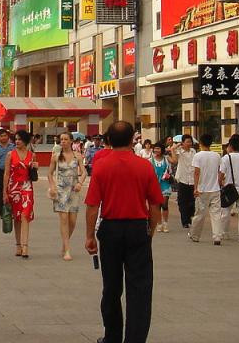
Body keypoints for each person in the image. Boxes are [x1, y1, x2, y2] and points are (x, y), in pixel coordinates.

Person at [84, 121, 162, 343]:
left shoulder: (101, 166)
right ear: (132, 140)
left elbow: (92, 206)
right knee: (140, 288)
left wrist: (90, 235)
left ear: (107, 140)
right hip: (138, 228)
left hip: (110, 229)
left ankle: (112, 337)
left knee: (111, 287)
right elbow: (155, 205)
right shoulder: (145, 166)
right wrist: (151, 229)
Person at [47, 131, 87, 258]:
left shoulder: (77, 156)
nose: (63, 141)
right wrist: (52, 186)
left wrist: (80, 183)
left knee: (73, 221)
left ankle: (65, 244)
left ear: (71, 141)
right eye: (61, 139)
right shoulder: (56, 155)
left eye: (65, 139)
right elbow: (49, 173)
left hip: (74, 190)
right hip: (60, 190)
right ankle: (67, 249)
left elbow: (84, 172)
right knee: (64, 219)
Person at [4, 129, 38, 258]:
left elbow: (34, 175)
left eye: (20, 139)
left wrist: (35, 167)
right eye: (16, 139)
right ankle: (18, 245)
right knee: (17, 217)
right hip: (14, 188)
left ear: (25, 141)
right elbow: (6, 174)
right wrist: (5, 192)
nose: (17, 141)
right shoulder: (10, 154)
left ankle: (25, 246)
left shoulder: (32, 155)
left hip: (27, 187)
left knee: (25, 215)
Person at [189, 134, 222, 245]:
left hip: (202, 189)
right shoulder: (217, 156)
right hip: (215, 188)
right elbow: (219, 171)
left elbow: (196, 172)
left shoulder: (198, 156)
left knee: (200, 213)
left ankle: (195, 235)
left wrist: (195, 188)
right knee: (216, 213)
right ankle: (217, 236)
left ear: (201, 143)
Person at [219, 136, 239, 243]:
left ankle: (224, 232)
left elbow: (221, 173)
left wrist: (219, 184)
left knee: (225, 211)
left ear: (230, 146)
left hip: (229, 188)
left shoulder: (225, 158)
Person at [169, 134, 195, 232]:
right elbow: (174, 159)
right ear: (183, 143)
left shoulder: (193, 152)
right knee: (182, 202)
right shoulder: (179, 152)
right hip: (183, 179)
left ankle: (189, 217)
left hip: (192, 179)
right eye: (187, 141)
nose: (189, 143)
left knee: (192, 201)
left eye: (190, 141)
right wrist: (177, 146)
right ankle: (185, 221)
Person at [150, 142, 172, 233]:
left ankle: (165, 223)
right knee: (157, 206)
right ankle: (159, 223)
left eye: (158, 148)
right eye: (155, 148)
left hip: (165, 184)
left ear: (162, 150)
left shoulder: (166, 159)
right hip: (155, 185)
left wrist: (173, 150)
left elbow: (174, 161)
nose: (156, 150)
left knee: (164, 204)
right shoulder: (150, 160)